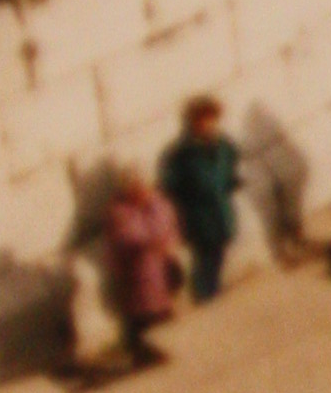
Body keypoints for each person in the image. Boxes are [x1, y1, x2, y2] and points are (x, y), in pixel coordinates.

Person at [99, 165, 187, 364]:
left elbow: (169, 223)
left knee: (164, 310)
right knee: (141, 315)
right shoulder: (118, 211)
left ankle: (158, 350)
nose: (142, 192)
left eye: (144, 186)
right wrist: (157, 238)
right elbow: (131, 237)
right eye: (136, 188)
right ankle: (140, 350)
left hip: (164, 266)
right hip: (137, 272)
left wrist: (166, 241)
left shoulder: (158, 202)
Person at [158, 95, 241, 304]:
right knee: (204, 259)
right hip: (199, 217)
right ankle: (205, 297)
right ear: (193, 122)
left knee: (219, 253)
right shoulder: (182, 153)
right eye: (202, 120)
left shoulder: (224, 145)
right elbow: (170, 186)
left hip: (221, 211)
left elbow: (232, 168)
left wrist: (230, 184)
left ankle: (214, 292)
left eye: (211, 119)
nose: (208, 125)